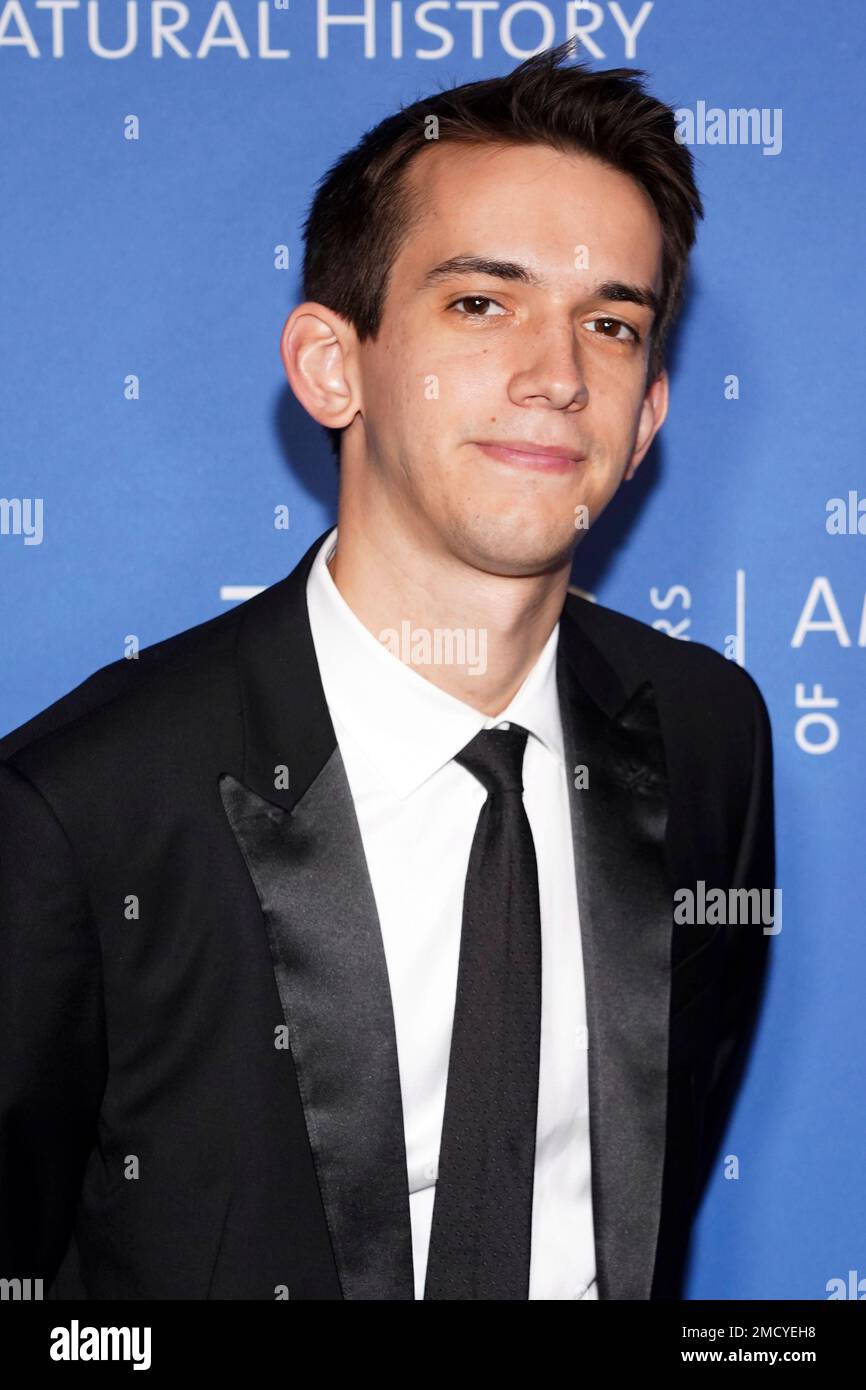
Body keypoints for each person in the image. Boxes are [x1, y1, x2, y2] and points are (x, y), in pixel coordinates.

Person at [0, 39, 774, 1301]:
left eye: (610, 324)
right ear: (330, 364)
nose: (556, 376)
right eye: (480, 302)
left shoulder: (705, 734)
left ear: (646, 419)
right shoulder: (81, 811)